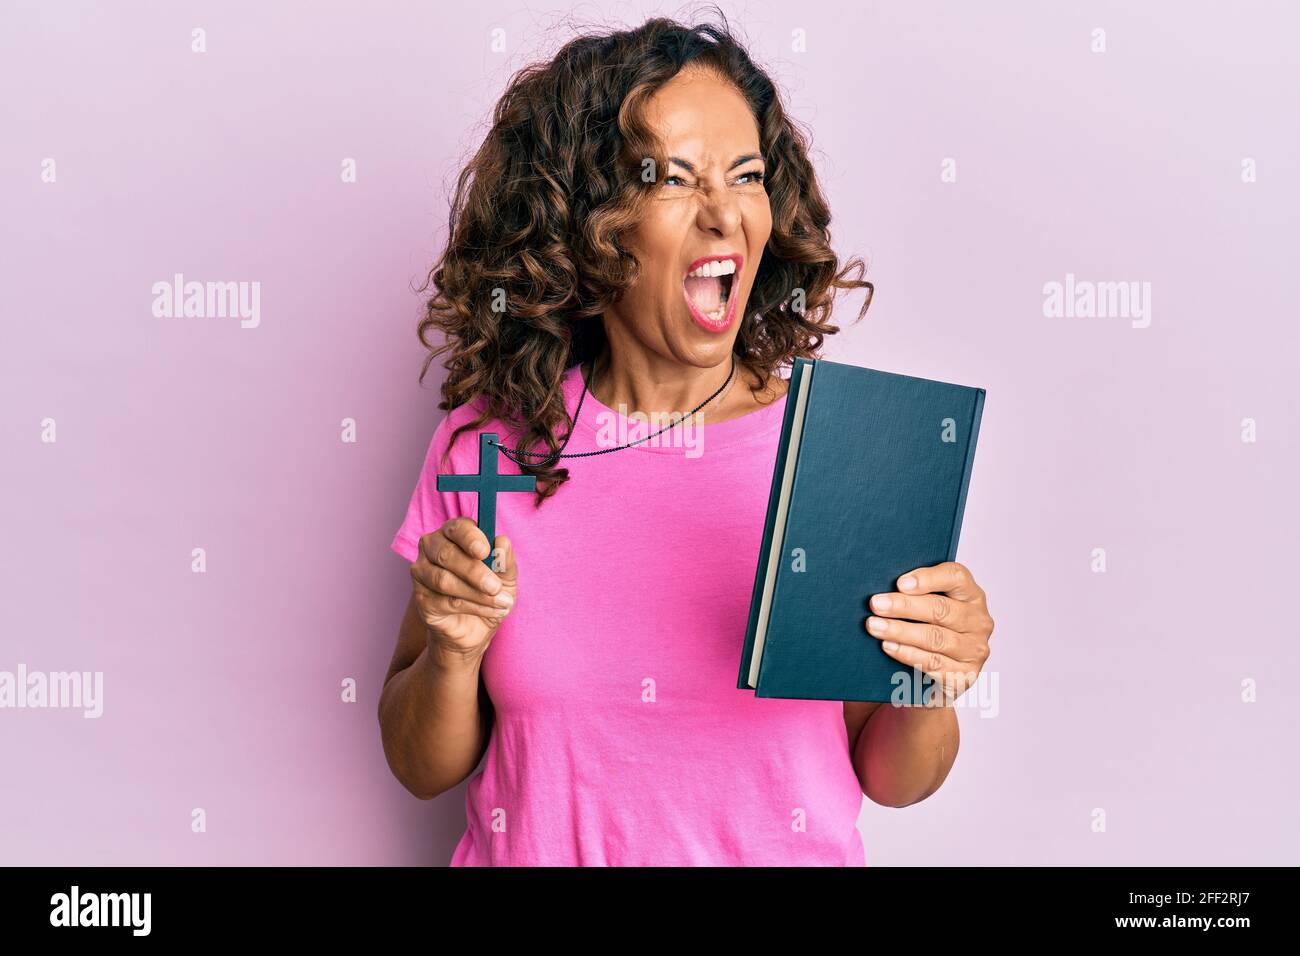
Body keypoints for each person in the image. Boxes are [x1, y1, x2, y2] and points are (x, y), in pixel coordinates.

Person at [379, 15, 995, 866]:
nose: (722, 215)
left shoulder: (841, 451)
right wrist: (452, 652)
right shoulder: (489, 449)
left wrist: (927, 675)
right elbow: (419, 764)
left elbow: (895, 777)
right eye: (671, 179)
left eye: (745, 176)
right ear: (586, 220)